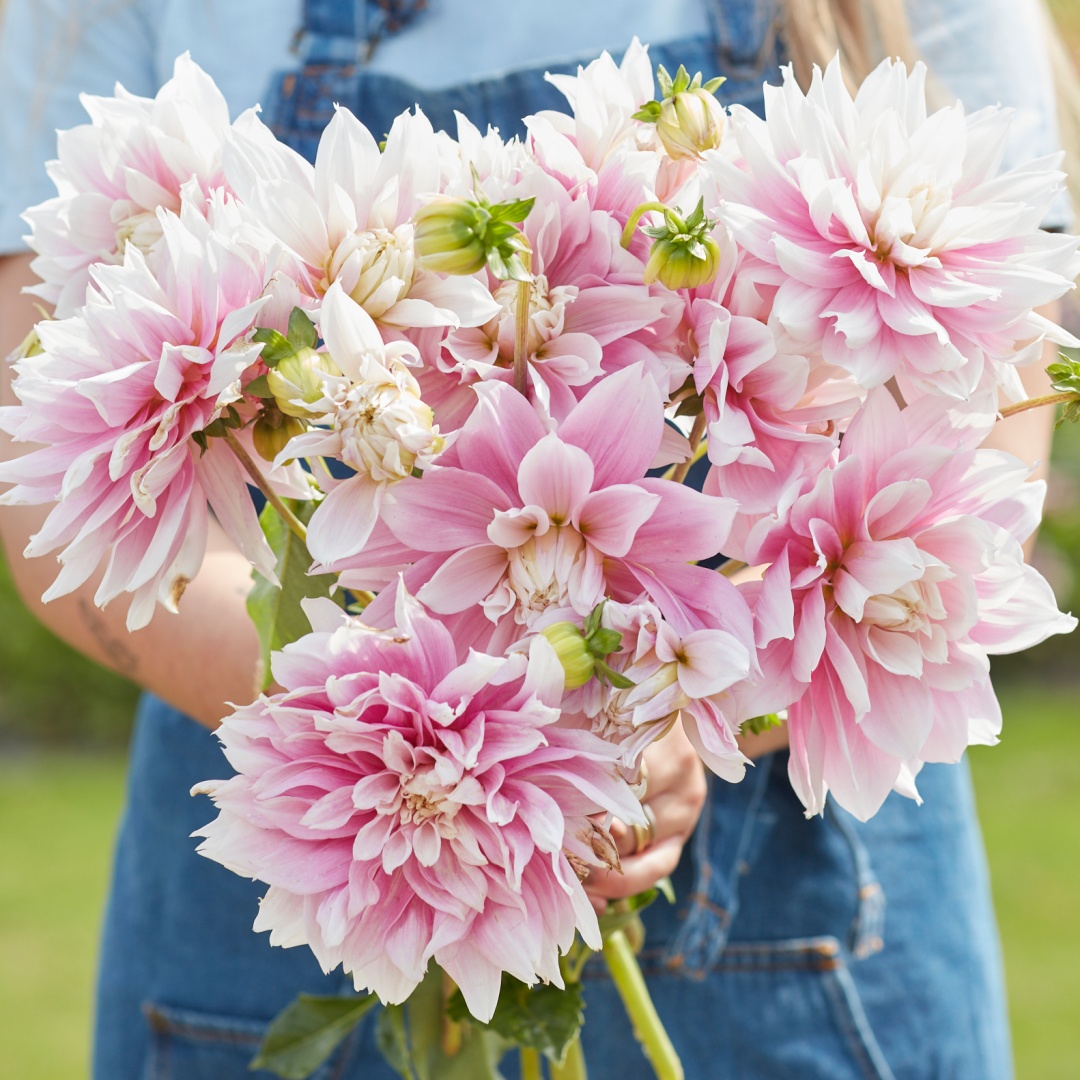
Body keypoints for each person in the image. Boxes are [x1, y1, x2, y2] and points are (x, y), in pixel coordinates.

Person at [0, 1, 1071, 1077]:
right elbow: (46, 499)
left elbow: (998, 435)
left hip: (790, 907)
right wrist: (401, 743)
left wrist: (677, 714)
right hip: (339, 855)